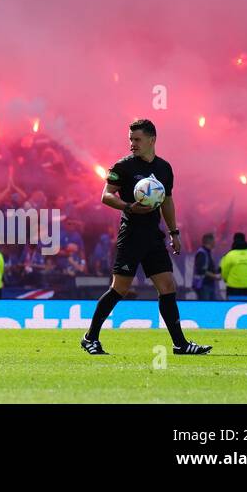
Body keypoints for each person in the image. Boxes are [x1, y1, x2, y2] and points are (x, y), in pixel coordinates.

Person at [80, 118, 211, 356]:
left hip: (153, 235)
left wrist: (174, 232)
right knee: (119, 288)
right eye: (130, 139)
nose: (132, 144)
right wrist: (128, 207)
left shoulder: (164, 168)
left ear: (152, 139)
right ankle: (90, 338)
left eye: (137, 139)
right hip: (131, 234)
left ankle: (180, 345)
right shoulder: (123, 167)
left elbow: (167, 201)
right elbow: (106, 196)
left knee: (167, 285)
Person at [221, 232, 247, 298]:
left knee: (233, 306)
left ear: (234, 241)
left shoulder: (229, 255)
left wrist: (226, 280)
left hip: (234, 288)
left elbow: (224, 272)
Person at [193, 232, 220, 300]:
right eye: (214, 240)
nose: (215, 242)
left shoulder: (207, 252)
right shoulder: (202, 253)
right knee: (205, 304)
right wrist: (214, 276)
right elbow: (201, 270)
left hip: (208, 284)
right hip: (203, 285)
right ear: (210, 241)